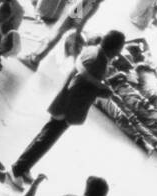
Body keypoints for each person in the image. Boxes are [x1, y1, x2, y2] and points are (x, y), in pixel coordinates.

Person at [10, 29, 125, 182]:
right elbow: (79, 84)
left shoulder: (94, 51)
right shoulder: (98, 61)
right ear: (115, 49)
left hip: (67, 102)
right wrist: (77, 25)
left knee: (46, 138)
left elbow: (87, 79)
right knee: (46, 139)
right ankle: (18, 168)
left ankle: (25, 166)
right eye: (119, 49)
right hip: (68, 106)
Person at [20, 0, 104, 69]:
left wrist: (71, 20)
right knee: (53, 37)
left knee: (53, 38)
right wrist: (77, 25)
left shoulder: (91, 2)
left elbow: (80, 11)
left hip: (71, 17)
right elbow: (83, 18)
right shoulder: (96, 5)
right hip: (73, 18)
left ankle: (34, 59)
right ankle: (35, 56)